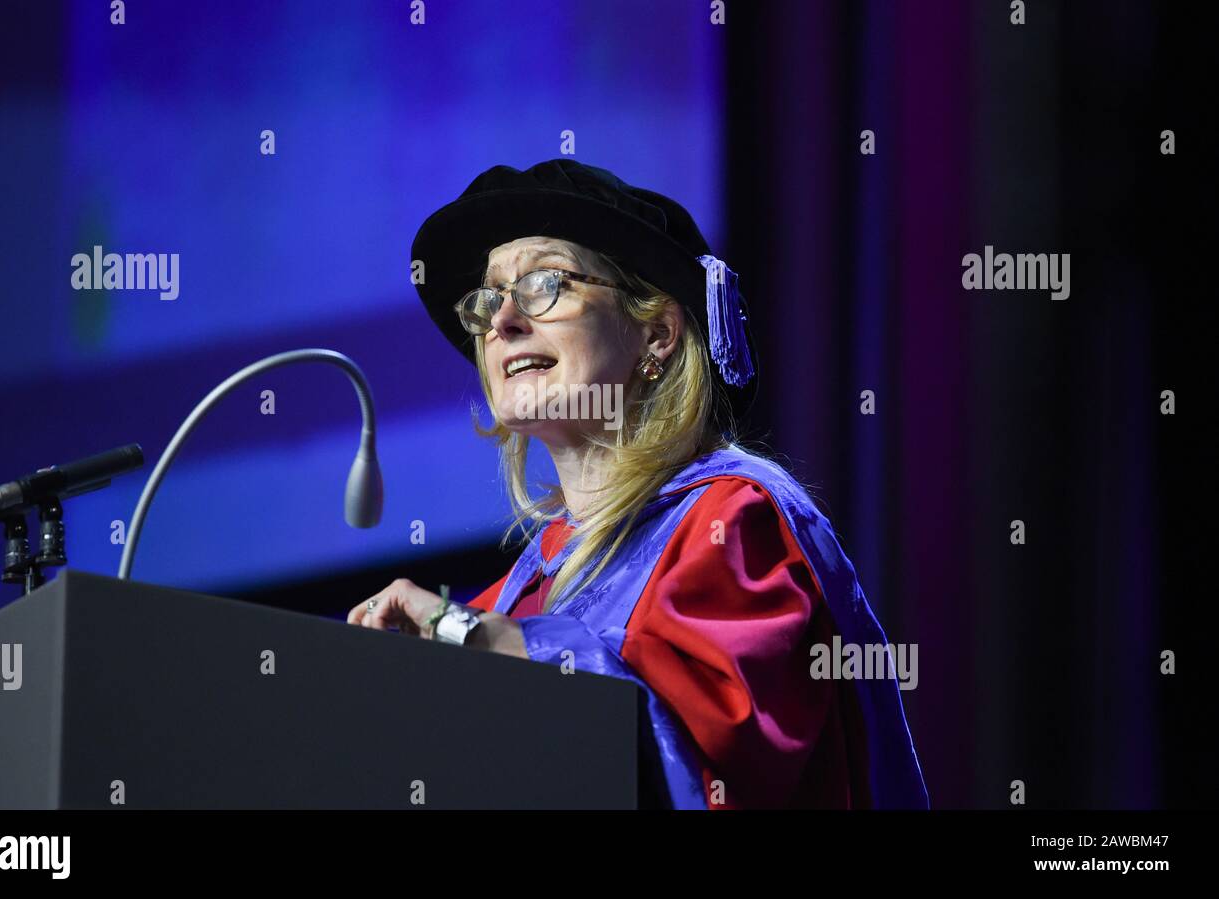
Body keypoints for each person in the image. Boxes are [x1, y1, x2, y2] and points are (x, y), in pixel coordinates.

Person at [346, 159, 928, 809]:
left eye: (544, 283)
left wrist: (465, 637)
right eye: (487, 298)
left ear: (656, 333)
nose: (502, 320)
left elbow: (710, 762)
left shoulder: (736, 523)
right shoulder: (520, 591)